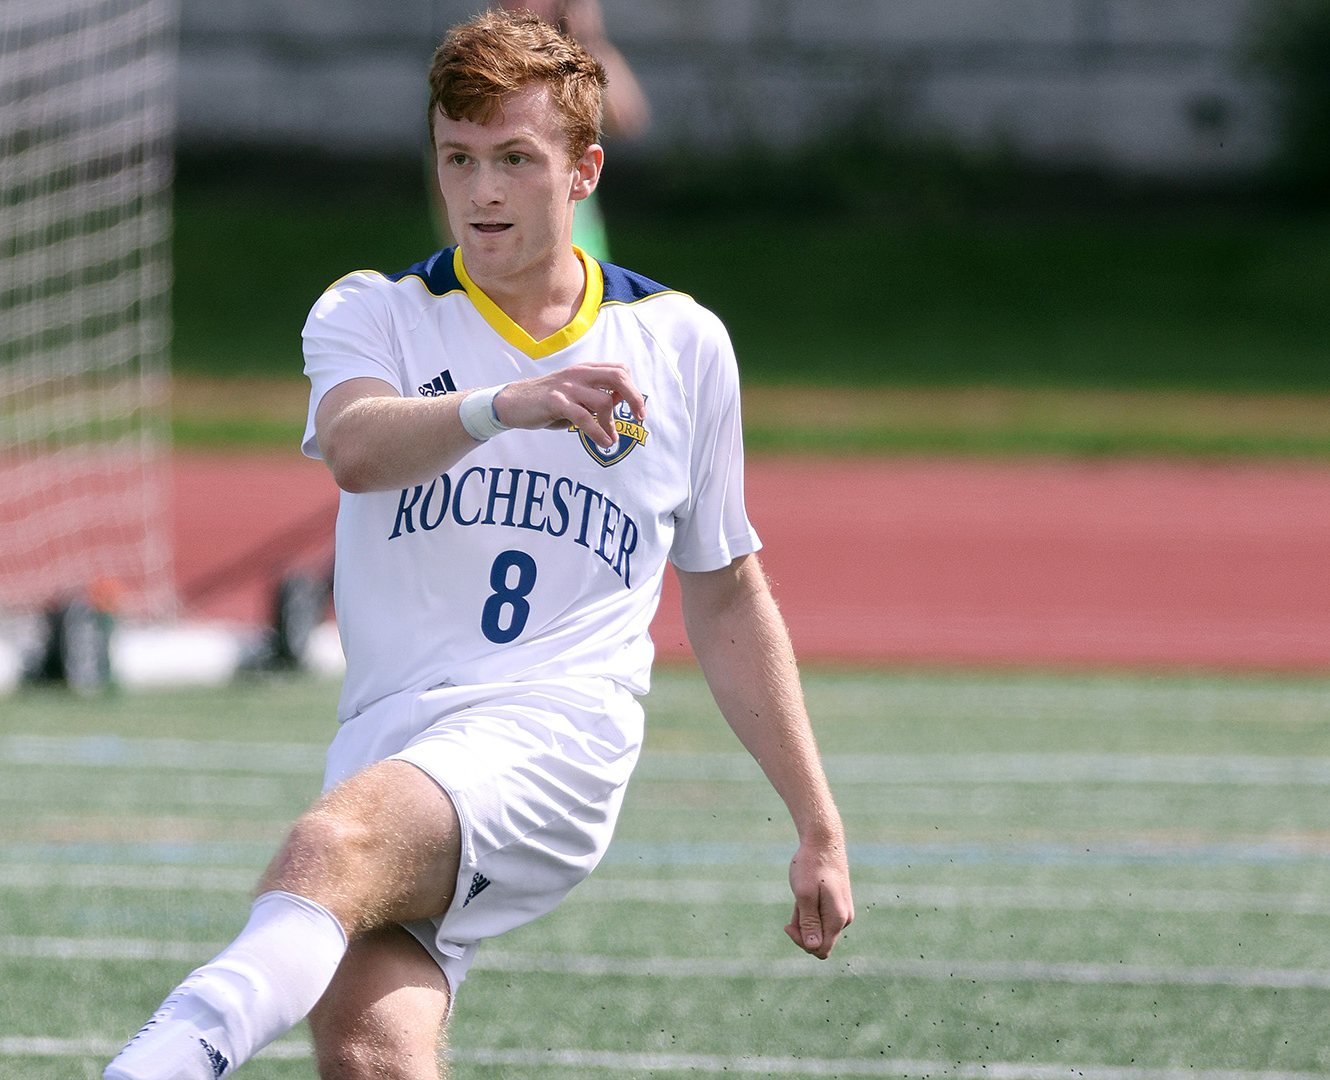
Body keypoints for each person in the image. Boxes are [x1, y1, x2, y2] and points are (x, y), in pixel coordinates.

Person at [104, 11, 851, 1080]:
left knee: (327, 849)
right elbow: (356, 449)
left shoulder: (682, 343)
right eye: (458, 159)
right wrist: (507, 405)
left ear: (584, 170)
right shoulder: (373, 312)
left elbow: (728, 593)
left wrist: (816, 824)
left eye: (515, 159)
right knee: (367, 1045)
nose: (482, 190)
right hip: (391, 740)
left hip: (557, 738)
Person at [429, 0, 649, 261]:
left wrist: (588, 38)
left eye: (515, 158)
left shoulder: (570, 69)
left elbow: (626, 120)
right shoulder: (467, 77)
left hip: (580, 255)